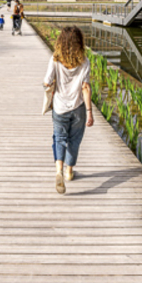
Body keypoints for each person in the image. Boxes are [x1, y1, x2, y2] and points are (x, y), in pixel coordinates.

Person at [43, 26, 93, 194]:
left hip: (59, 107)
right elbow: (85, 88)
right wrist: (90, 112)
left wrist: (51, 84)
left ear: (60, 42)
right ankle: (69, 172)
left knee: (59, 138)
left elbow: (47, 82)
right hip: (78, 108)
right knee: (74, 140)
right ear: (80, 42)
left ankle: (59, 171)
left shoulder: (55, 59)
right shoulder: (84, 62)